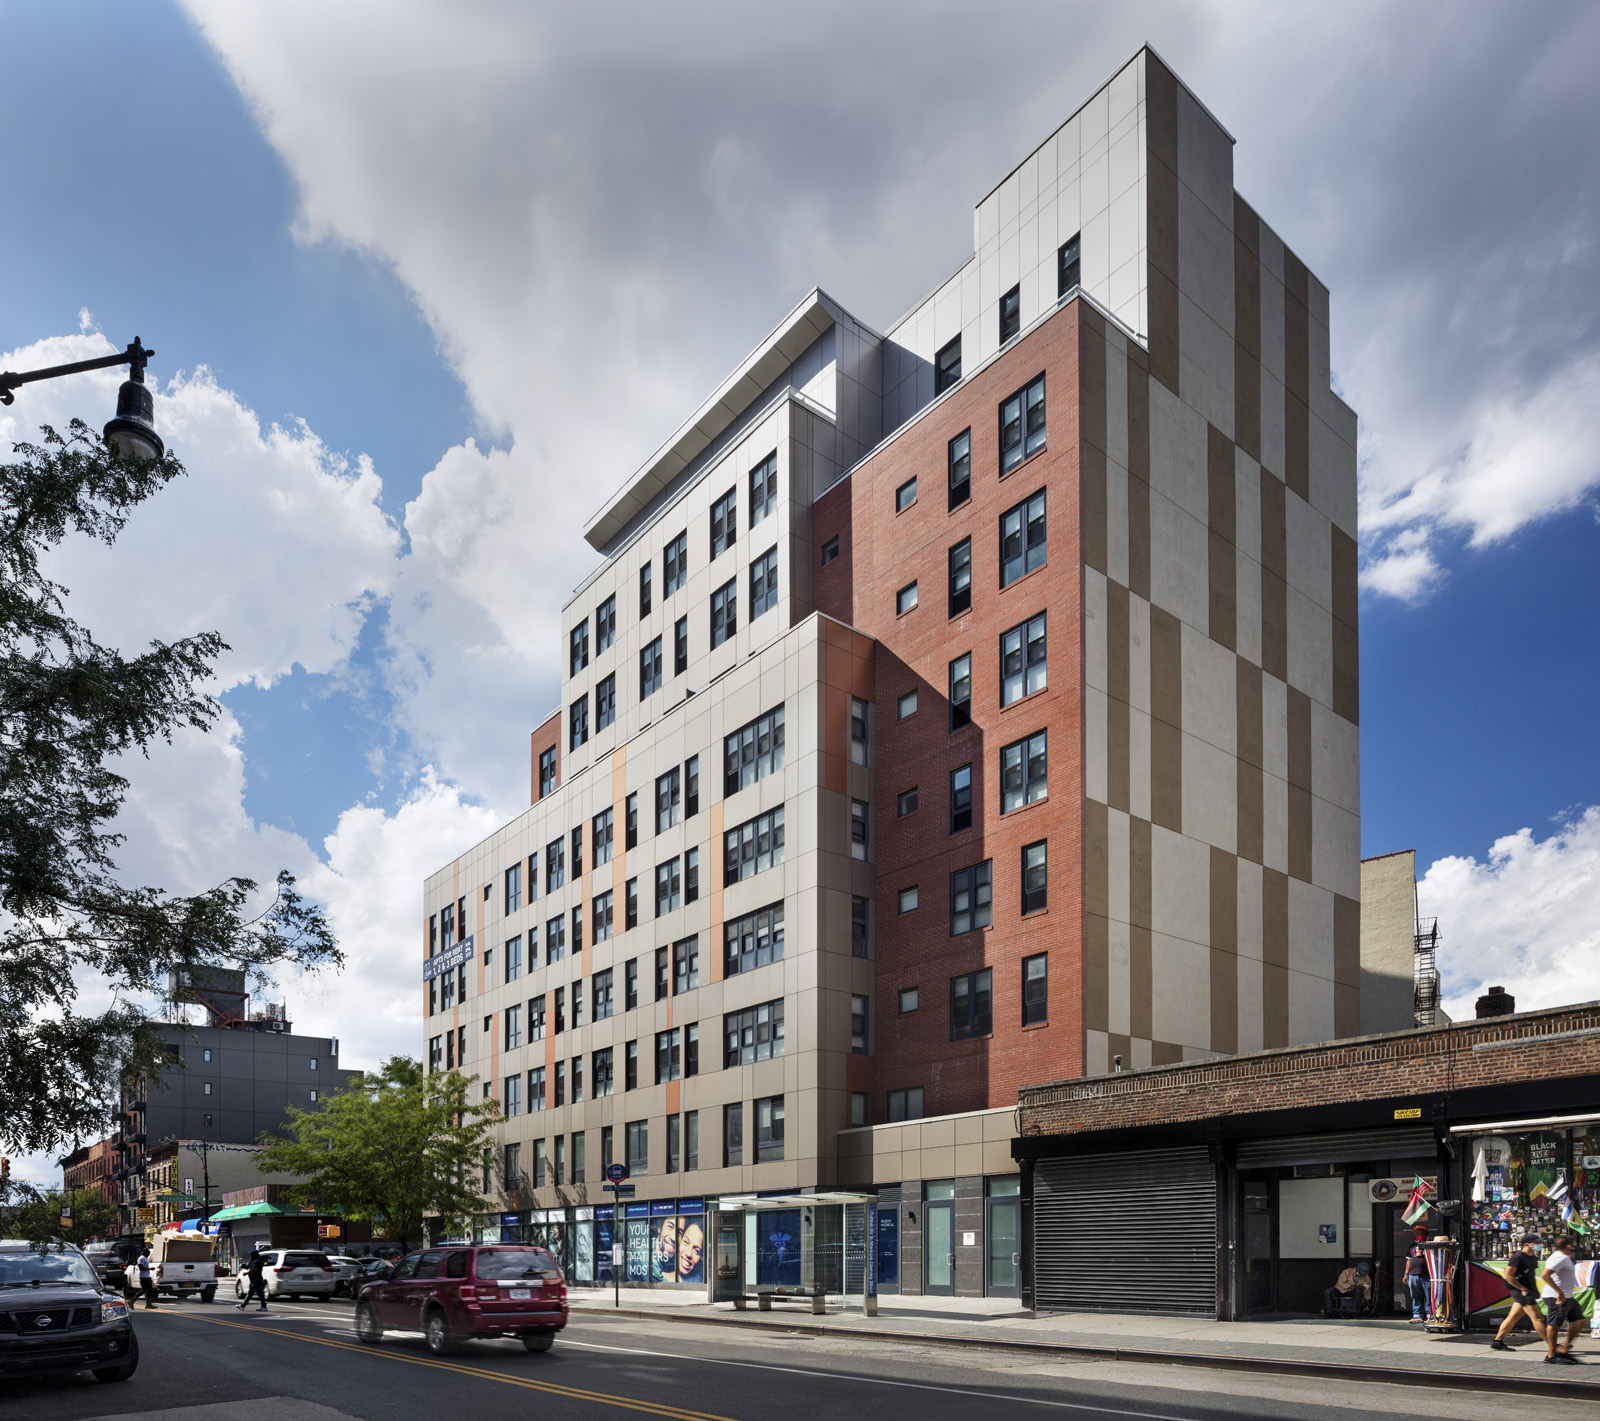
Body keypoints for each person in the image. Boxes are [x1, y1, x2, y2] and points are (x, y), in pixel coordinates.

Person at [1489, 1234, 1548, 1351]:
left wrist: (1533, 1290)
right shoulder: (1518, 1257)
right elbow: (1507, 1275)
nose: (1540, 1245)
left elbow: (1529, 1276)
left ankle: (1497, 1342)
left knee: (1513, 1317)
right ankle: (1552, 1345)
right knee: (1538, 1318)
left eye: (1540, 1242)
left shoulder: (1532, 1257)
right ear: (1527, 1244)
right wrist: (1522, 1288)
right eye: (1537, 1243)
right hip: (1522, 1292)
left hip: (1527, 1291)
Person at [1538, 1234, 1585, 1365]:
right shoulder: (1559, 1257)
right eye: (1574, 1244)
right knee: (1554, 1325)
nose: (1576, 1247)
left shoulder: (1565, 1257)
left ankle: (1563, 1349)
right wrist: (1559, 1292)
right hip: (1557, 1297)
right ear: (1568, 1246)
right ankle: (1551, 1355)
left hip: (1567, 1296)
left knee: (1579, 1321)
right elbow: (1545, 1275)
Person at [1403, 1232, 1430, 1322]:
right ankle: (1417, 1315)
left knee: (1429, 1295)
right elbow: (1408, 1261)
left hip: (1427, 1275)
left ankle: (1430, 1315)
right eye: (1418, 1232)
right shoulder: (1412, 1246)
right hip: (1413, 1274)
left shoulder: (1429, 1245)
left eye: (1422, 1232)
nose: (1420, 1234)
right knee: (1415, 1295)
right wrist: (1406, 1274)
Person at [236, 1246, 270, 1312]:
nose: (250, 1256)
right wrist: (246, 1267)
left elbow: (254, 1269)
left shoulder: (257, 1262)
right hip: (253, 1280)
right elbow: (250, 1267)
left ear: (254, 1255)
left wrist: (246, 1273)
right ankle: (242, 1305)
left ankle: (264, 1306)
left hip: (257, 1280)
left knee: (260, 1294)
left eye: (251, 1254)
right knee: (250, 1294)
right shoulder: (255, 1261)